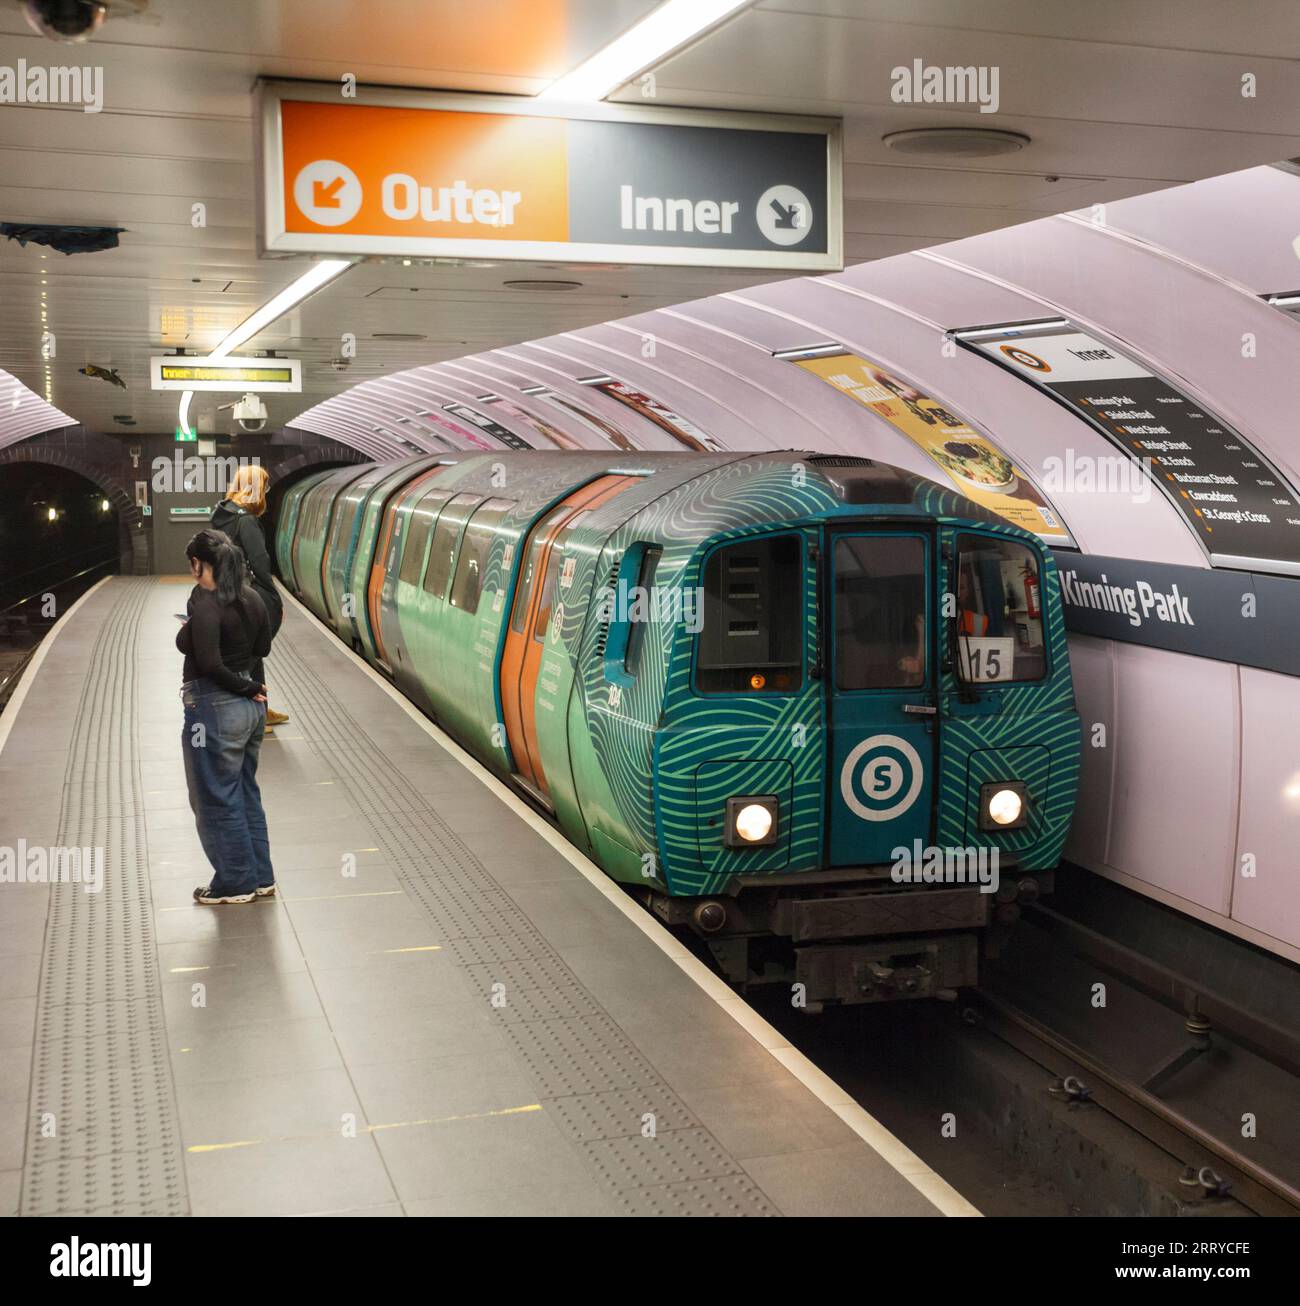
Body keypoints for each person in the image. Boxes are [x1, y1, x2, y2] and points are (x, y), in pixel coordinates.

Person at [177, 529, 276, 906]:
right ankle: (260, 876)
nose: (190, 570)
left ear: (202, 564)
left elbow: (210, 663)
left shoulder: (206, 606)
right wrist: (250, 687)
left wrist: (242, 687)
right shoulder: (253, 599)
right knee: (245, 792)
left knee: (215, 797)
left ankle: (234, 883)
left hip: (213, 711)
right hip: (250, 713)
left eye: (192, 563)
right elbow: (262, 647)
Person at [211, 464, 289, 730]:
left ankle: (262, 709)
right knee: (249, 657)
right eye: (264, 486)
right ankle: (250, 716)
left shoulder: (223, 515)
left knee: (252, 654)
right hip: (250, 594)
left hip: (229, 591)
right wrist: (273, 597)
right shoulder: (246, 520)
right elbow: (259, 560)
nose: (267, 491)